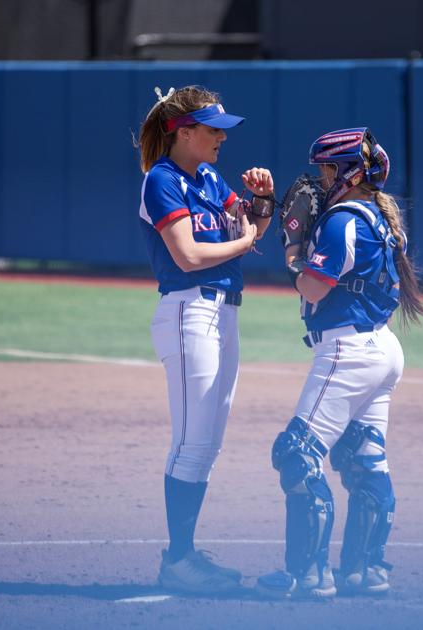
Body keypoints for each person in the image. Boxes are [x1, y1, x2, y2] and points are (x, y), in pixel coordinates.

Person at [256, 128, 423, 599]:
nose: (319, 179)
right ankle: (365, 570)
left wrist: (292, 251)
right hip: (380, 348)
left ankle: (307, 576)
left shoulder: (342, 222)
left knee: (296, 454)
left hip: (347, 351)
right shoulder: (377, 217)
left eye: (326, 169)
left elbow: (311, 287)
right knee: (364, 459)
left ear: (348, 171)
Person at [136, 85, 275, 594]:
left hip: (224, 314)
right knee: (191, 441)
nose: (221, 137)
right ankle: (177, 559)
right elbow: (189, 257)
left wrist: (262, 200)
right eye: (213, 129)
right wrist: (245, 240)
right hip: (188, 311)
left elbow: (252, 225)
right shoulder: (162, 180)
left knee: (209, 442)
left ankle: (187, 555)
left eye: (222, 129)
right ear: (184, 132)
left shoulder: (211, 179)